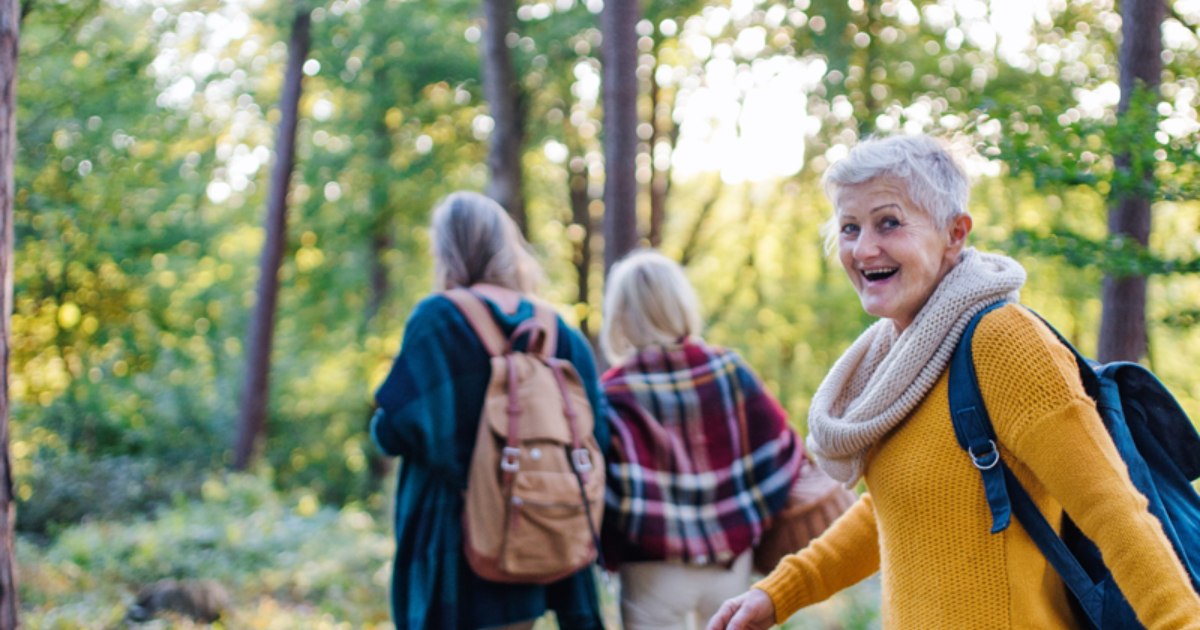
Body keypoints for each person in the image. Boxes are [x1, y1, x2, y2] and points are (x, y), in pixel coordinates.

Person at [708, 135, 1200, 630]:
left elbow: (1115, 512)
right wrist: (779, 594)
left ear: (955, 233)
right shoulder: (903, 358)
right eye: (850, 227)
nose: (863, 248)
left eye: (889, 223)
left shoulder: (1003, 340)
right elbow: (900, 507)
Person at [370, 191, 609, 630]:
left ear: (447, 250)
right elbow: (600, 436)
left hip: (458, 547)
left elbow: (392, 431)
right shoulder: (561, 332)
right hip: (547, 538)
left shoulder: (438, 320)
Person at [599, 250, 804, 630]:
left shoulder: (613, 391)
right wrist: (751, 515)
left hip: (652, 565)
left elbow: (601, 486)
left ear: (621, 314)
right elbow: (784, 450)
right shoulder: (728, 369)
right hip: (729, 558)